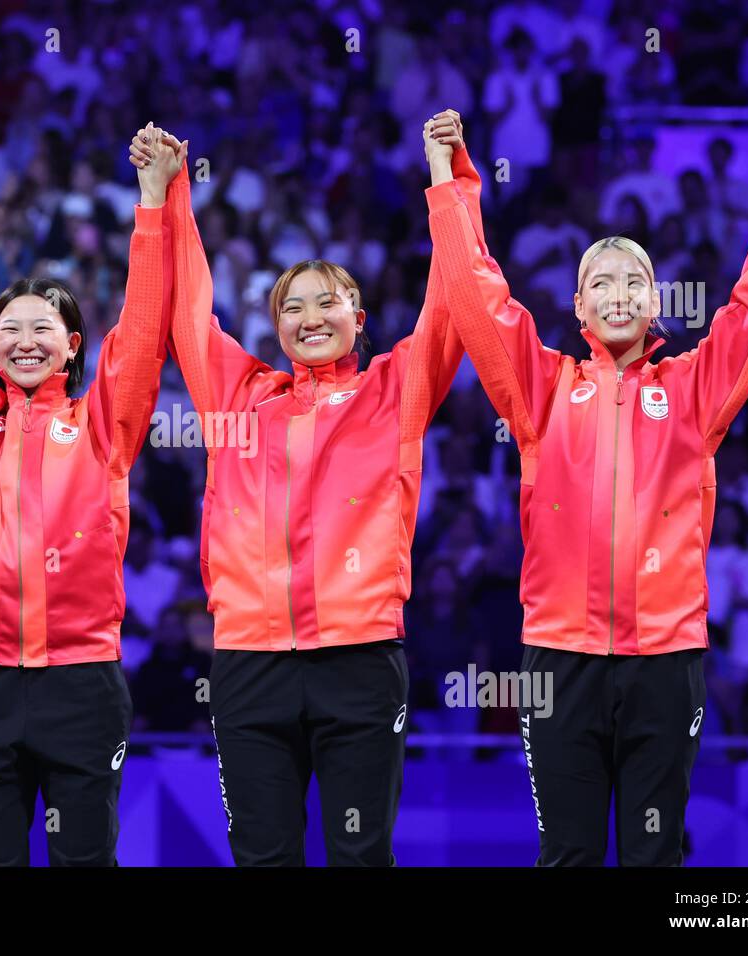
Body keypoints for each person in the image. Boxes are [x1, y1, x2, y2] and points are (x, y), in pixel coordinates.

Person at [426, 106, 748, 865]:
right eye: (600, 281)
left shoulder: (695, 390)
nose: (621, 292)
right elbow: (476, 296)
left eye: (636, 279)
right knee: (567, 856)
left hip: (666, 660)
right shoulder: (539, 388)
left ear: (657, 302)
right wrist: (451, 179)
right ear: (577, 308)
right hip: (558, 660)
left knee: (654, 859)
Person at [135, 126, 477, 866]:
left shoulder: (395, 389)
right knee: (264, 857)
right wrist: (166, 197)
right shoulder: (238, 395)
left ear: (358, 314)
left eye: (328, 302)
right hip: (249, 664)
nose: (310, 318)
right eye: (292, 307)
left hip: (358, 658)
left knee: (360, 856)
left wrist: (451, 185)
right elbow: (186, 308)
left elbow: (455, 301)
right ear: (275, 325)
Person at [0, 122, 175, 866]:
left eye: (43, 327)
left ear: (74, 344)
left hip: (81, 680)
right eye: (8, 328)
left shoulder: (103, 423)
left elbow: (145, 328)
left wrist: (153, 204)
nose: (25, 340)